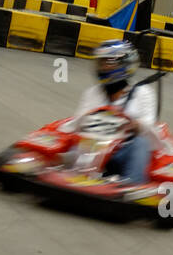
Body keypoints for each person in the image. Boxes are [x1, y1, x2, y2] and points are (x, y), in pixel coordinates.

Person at [64, 39, 160, 183]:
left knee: (140, 143)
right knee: (68, 137)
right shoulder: (92, 93)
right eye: (100, 63)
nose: (102, 67)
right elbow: (78, 122)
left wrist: (134, 124)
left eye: (108, 63)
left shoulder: (143, 93)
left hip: (122, 151)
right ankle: (64, 173)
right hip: (91, 147)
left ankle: (131, 185)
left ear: (124, 65)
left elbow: (149, 124)